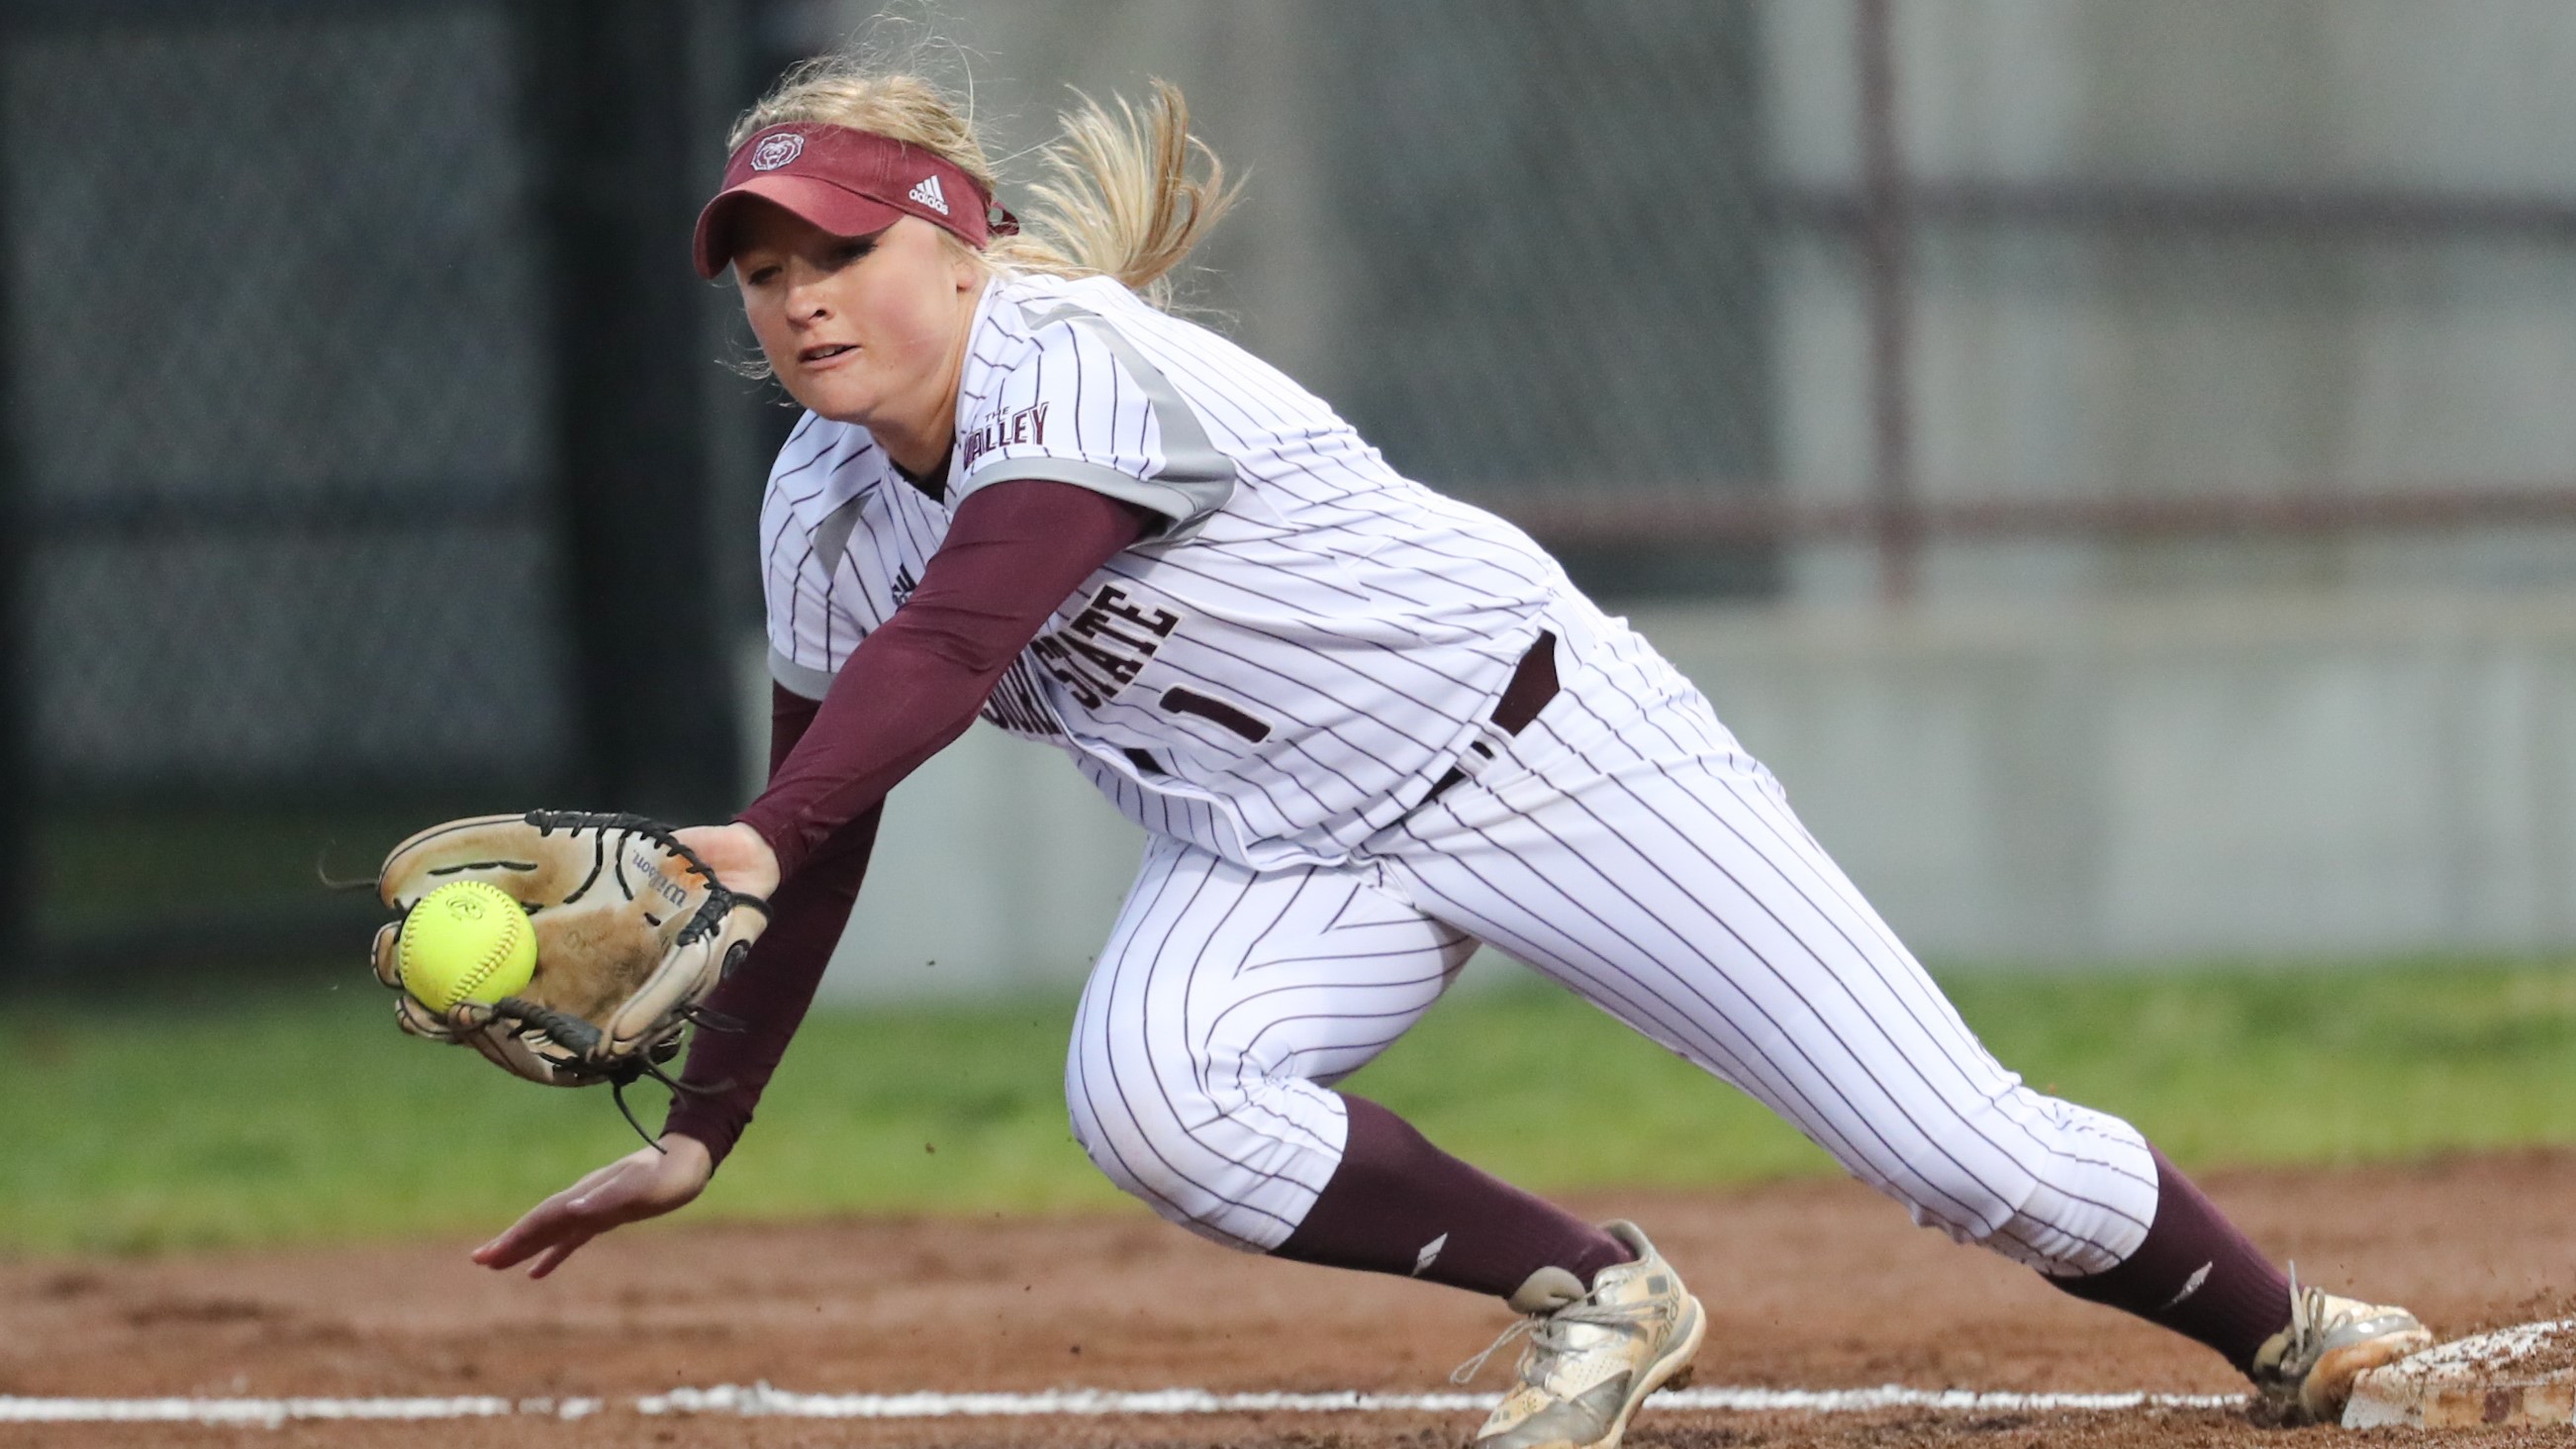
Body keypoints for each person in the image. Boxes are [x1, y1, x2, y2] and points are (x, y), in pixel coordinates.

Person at [471, 53, 2432, 1445]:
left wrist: (747, 833)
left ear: (962, 247)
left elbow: (969, 636)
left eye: (838, 252)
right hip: (1282, 851)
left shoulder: (1081, 365)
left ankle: (2298, 1340)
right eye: (763, 270)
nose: (802, 301)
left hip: (1547, 756)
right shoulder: (817, 502)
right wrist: (708, 1125)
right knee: (1154, 1092)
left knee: (1960, 1154)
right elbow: (833, 816)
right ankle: (1600, 1292)